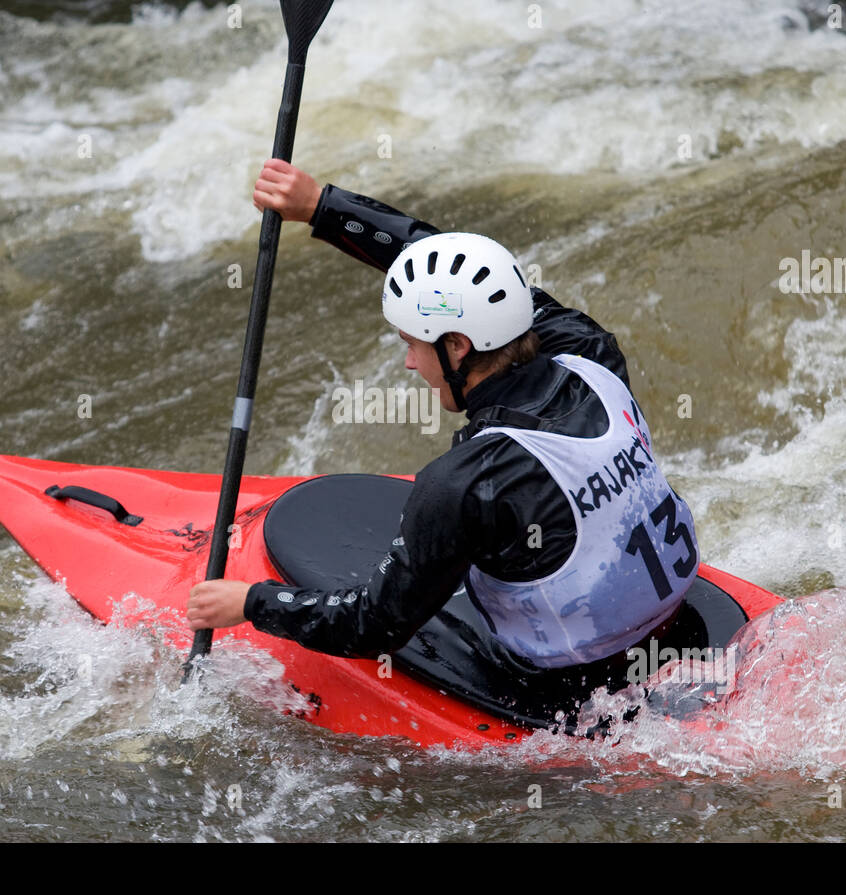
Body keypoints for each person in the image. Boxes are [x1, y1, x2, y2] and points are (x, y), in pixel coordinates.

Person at [187, 158, 702, 722]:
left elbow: (373, 625)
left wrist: (252, 602)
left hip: (569, 687)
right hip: (673, 625)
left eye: (411, 344)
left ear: (457, 347)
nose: (409, 363)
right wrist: (321, 207)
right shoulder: (588, 351)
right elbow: (453, 267)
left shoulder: (465, 484)